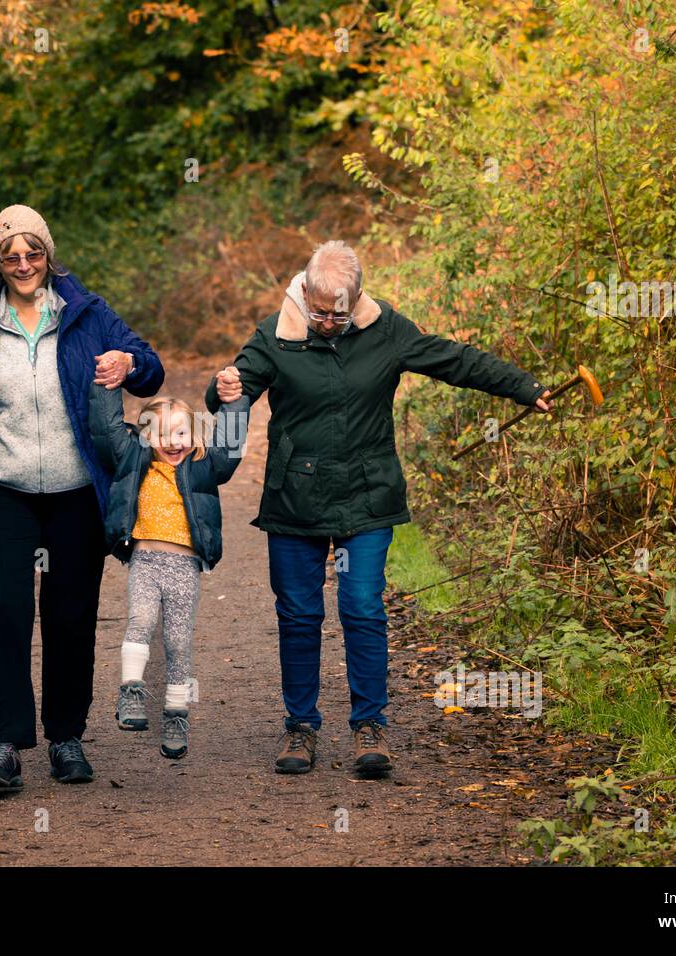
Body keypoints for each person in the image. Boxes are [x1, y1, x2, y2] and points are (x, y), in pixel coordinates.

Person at [206, 240, 552, 777]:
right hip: (294, 498)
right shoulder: (276, 333)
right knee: (298, 614)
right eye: (318, 311)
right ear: (305, 294)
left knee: (363, 607)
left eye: (337, 314)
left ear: (358, 298)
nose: (326, 322)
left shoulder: (386, 329)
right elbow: (234, 390)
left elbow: (453, 359)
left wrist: (521, 387)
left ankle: (370, 725)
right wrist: (221, 386)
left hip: (367, 495)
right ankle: (300, 727)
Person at [0, 204, 164, 792]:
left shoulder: (88, 314)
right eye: (11, 255)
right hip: (0, 489)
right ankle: (5, 744)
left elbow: (151, 371)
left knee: (70, 617)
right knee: (4, 613)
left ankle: (66, 737)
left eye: (33, 253)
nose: (23, 264)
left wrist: (129, 362)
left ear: (48, 254)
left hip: (75, 493)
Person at [87, 382, 250, 759]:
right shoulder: (134, 460)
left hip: (184, 567)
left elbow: (229, 449)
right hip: (145, 561)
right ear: (145, 436)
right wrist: (108, 385)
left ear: (194, 435)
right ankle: (131, 693)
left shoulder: (202, 468)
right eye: (161, 433)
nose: (172, 441)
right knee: (140, 622)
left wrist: (235, 402)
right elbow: (108, 429)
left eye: (181, 432)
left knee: (178, 644)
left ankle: (176, 714)